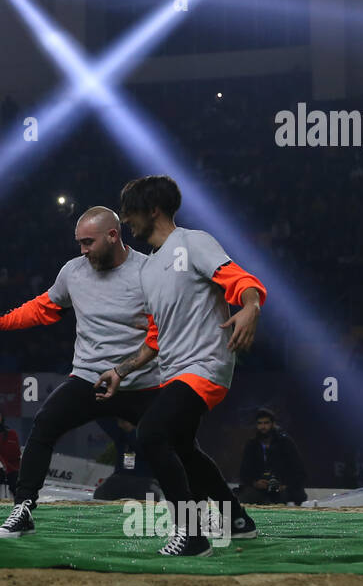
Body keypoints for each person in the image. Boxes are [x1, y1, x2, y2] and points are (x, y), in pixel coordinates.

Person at [97, 175, 264, 557]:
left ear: (153, 209)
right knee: (183, 447)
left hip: (204, 365)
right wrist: (121, 371)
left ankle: (191, 535)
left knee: (151, 434)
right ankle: (236, 520)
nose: (125, 220)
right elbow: (155, 336)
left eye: (129, 211)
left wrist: (251, 306)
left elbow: (238, 279)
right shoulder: (149, 269)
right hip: (175, 370)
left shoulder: (193, 242)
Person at [0, 207, 165, 538]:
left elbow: (159, 336)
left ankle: (206, 516)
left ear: (113, 235)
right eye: (79, 243)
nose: (83, 250)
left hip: (141, 383)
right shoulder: (73, 271)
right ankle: (23, 510)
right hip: (88, 378)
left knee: (177, 444)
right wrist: (2, 322)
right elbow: (44, 306)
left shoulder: (149, 273)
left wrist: (123, 370)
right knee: (44, 426)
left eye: (88, 242)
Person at [238, 408, 307, 505]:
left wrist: (285, 485)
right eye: (260, 423)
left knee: (283, 498)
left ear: (273, 424)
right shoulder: (252, 444)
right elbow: (244, 472)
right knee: (241, 498)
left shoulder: (285, 443)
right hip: (260, 488)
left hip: (283, 487)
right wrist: (255, 483)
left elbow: (299, 471)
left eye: (266, 423)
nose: (263, 427)